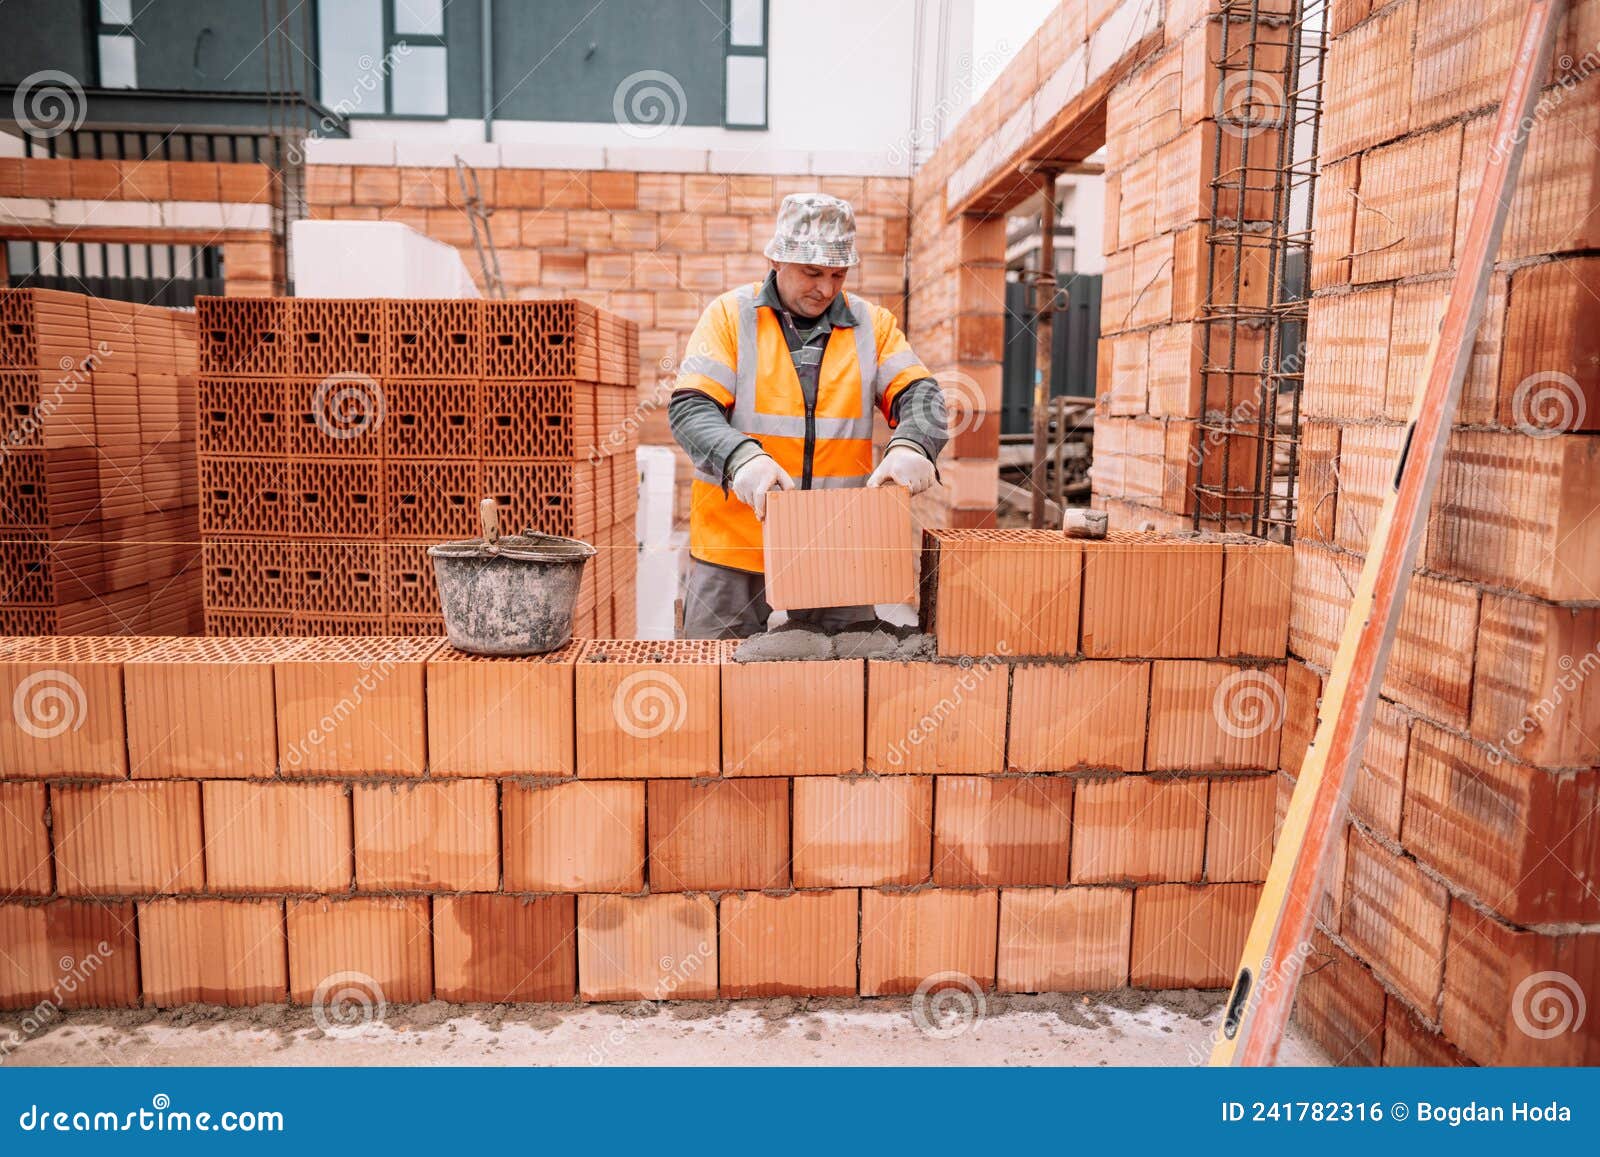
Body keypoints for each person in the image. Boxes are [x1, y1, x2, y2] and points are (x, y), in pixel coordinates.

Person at [670, 192, 948, 639]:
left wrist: (914, 443)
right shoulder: (730, 316)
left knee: (840, 690)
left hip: (837, 544)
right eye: (813, 273)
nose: (826, 288)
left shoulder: (871, 325)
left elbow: (921, 395)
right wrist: (742, 457)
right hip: (735, 545)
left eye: (838, 274)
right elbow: (691, 409)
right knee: (716, 685)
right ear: (776, 259)